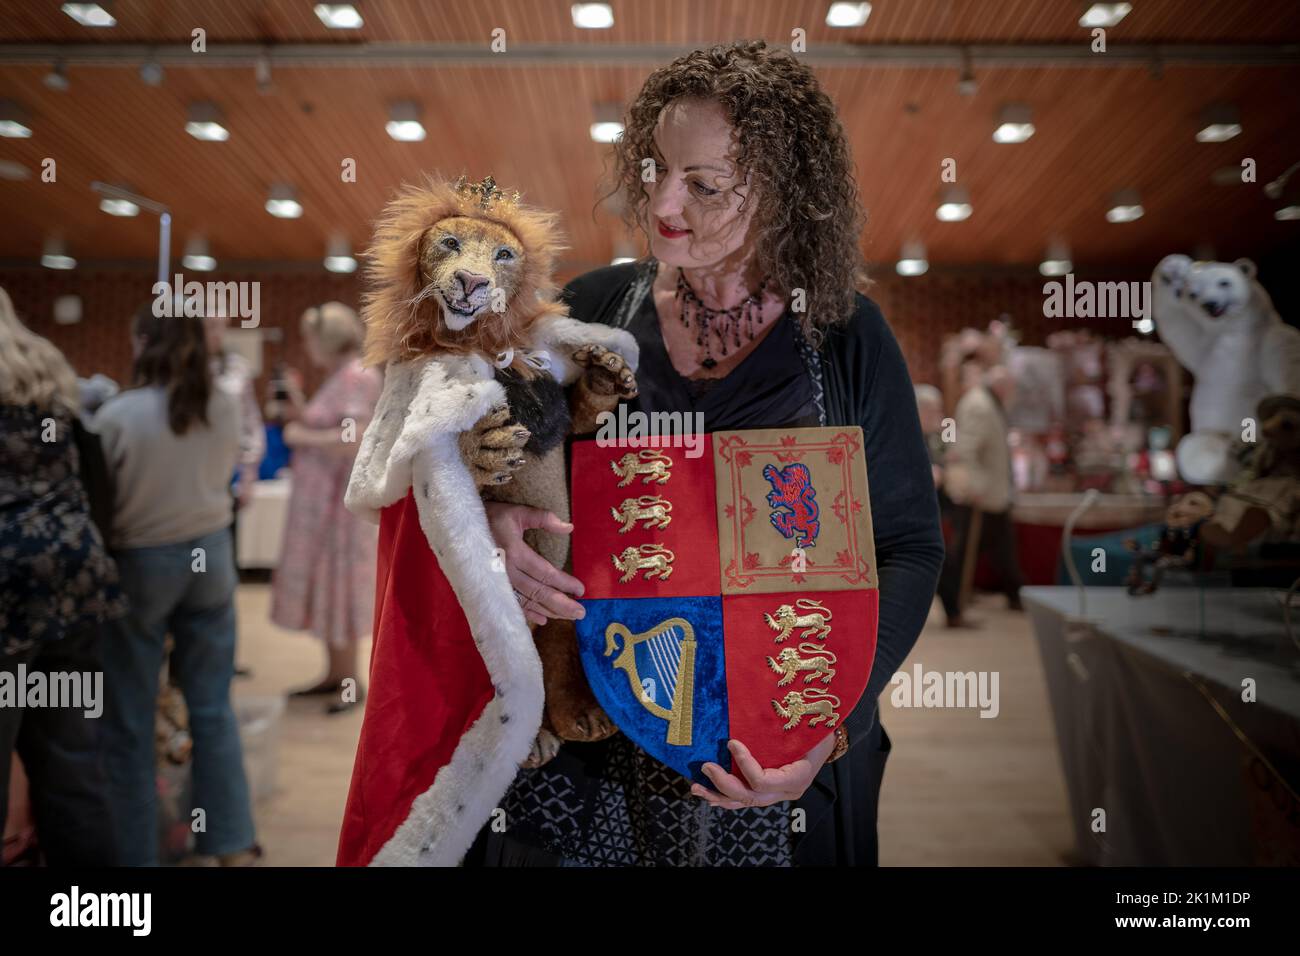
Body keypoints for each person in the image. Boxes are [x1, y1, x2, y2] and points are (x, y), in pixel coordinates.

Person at [463, 40, 944, 866]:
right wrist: (499, 527)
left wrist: (831, 726)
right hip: (589, 756)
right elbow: (503, 472)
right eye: (654, 168)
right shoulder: (593, 309)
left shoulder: (846, 337)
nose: (663, 203)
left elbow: (907, 546)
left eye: (704, 185)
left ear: (785, 195)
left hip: (778, 753)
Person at [93, 304, 258, 866]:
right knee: (211, 706)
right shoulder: (224, 405)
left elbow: (105, 502)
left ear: (143, 343)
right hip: (209, 557)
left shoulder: (118, 415)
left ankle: (136, 856)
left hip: (142, 563)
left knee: (131, 714)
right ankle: (230, 839)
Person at [0, 287, 125, 865]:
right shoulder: (46, 367)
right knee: (72, 763)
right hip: (72, 583)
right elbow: (92, 480)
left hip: (8, 592)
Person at [270, 303, 381, 714]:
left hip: (341, 507)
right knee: (327, 585)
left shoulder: (356, 375)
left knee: (341, 585)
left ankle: (350, 682)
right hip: (325, 505)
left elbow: (355, 435)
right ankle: (334, 675)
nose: (307, 347)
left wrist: (300, 435)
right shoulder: (342, 375)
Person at [938, 363, 1024, 627]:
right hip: (980, 495)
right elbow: (966, 451)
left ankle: (1014, 595)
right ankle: (957, 606)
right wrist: (973, 487)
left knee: (998, 548)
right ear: (1001, 386)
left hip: (991, 493)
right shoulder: (980, 406)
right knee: (965, 551)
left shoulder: (988, 403)